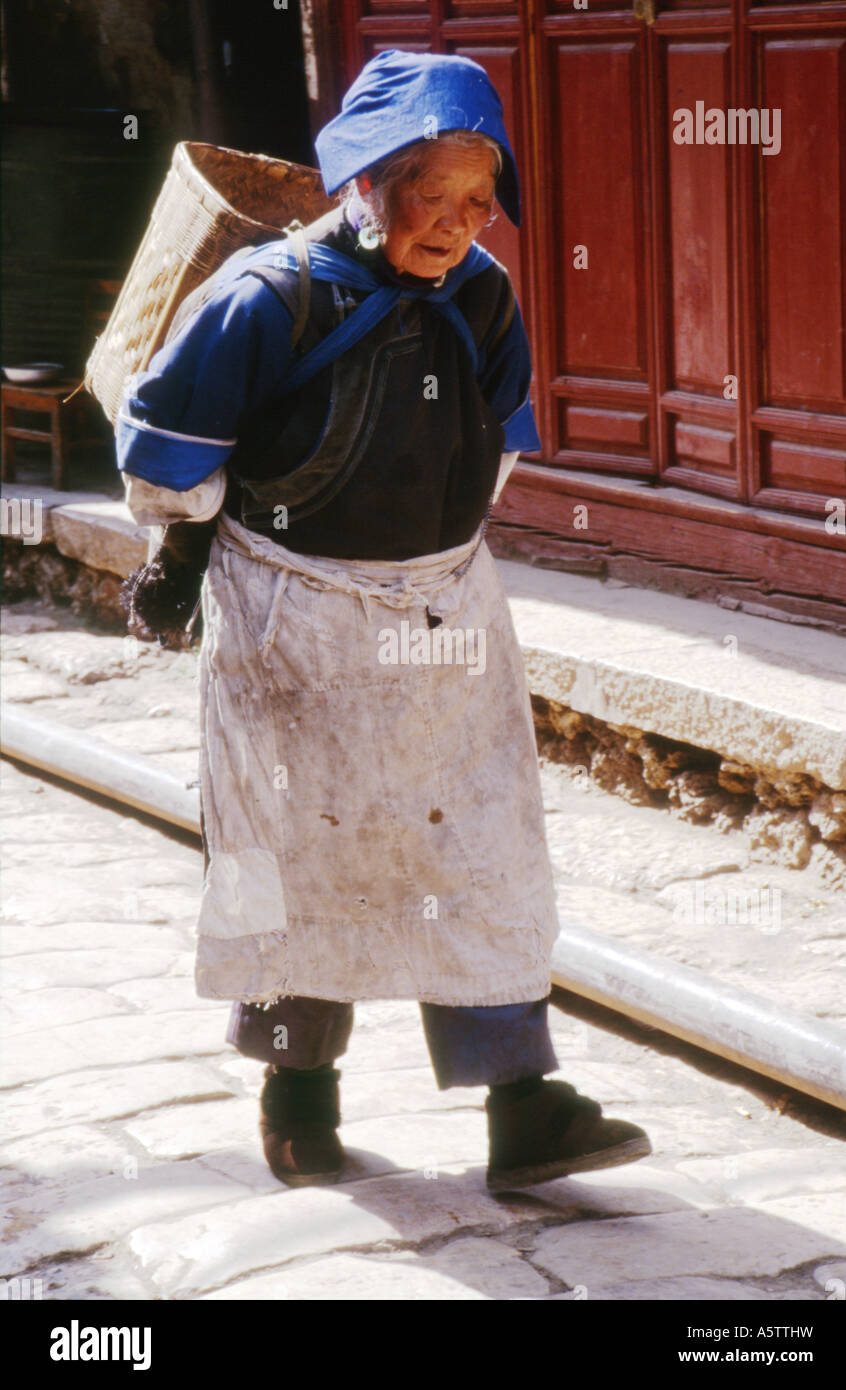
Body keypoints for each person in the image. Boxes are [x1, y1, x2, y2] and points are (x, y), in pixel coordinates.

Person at [118, 50, 651, 1191]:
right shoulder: (269, 297)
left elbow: (496, 443)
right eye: (432, 198)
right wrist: (177, 551)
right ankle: (296, 1099)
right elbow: (169, 440)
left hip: (444, 620)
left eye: (477, 202)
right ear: (367, 183)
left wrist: (428, 570)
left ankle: (525, 1107)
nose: (457, 227)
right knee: (295, 856)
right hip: (293, 628)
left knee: (482, 846)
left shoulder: (484, 295)